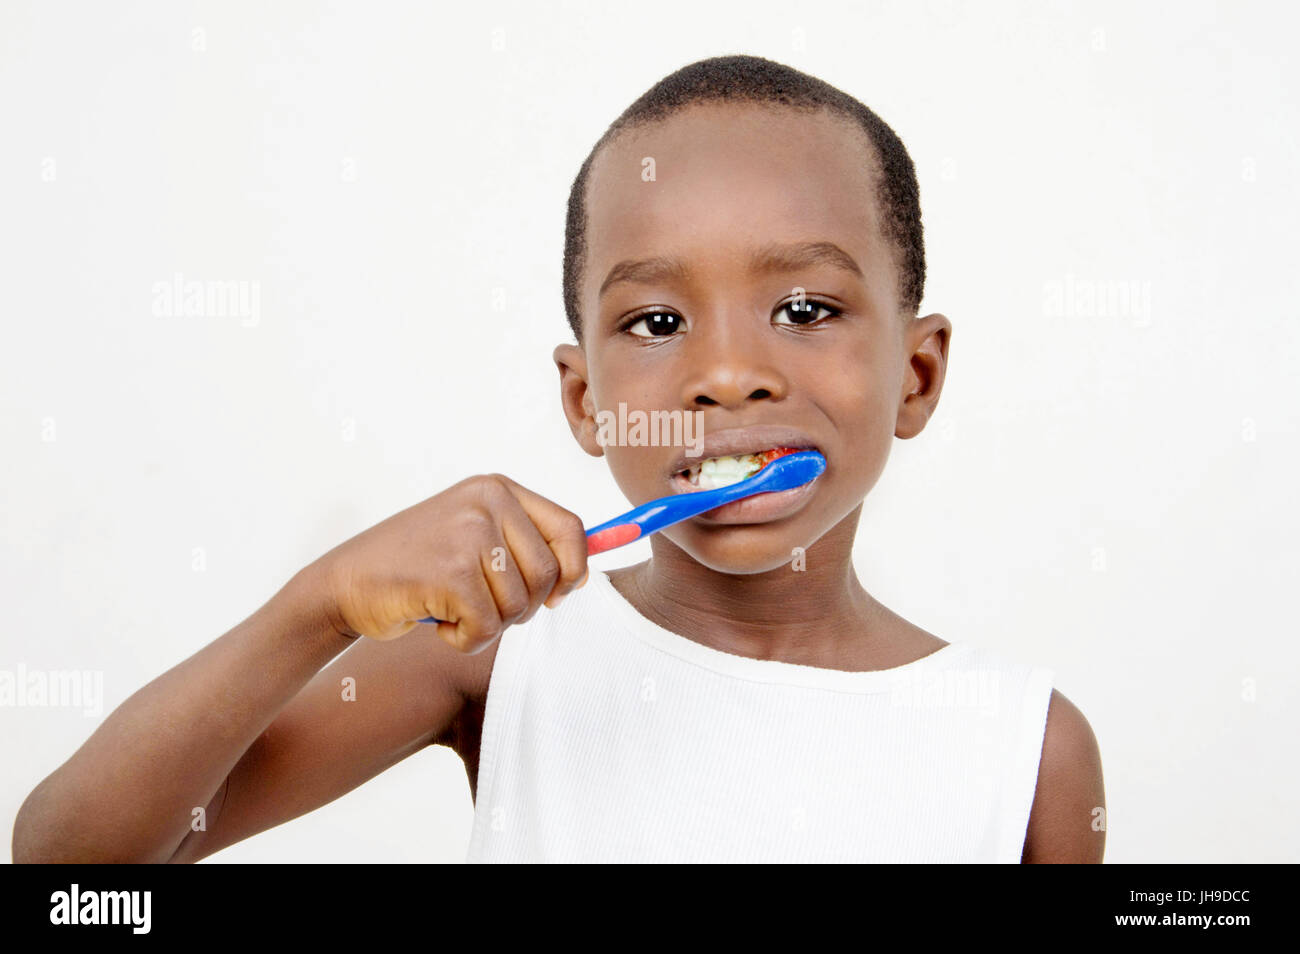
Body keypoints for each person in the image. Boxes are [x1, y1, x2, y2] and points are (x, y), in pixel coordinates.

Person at [12, 54, 1104, 864]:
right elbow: (68, 866)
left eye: (804, 306)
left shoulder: (1026, 748)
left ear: (915, 376)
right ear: (585, 402)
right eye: (656, 324)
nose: (726, 375)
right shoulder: (495, 659)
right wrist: (320, 604)